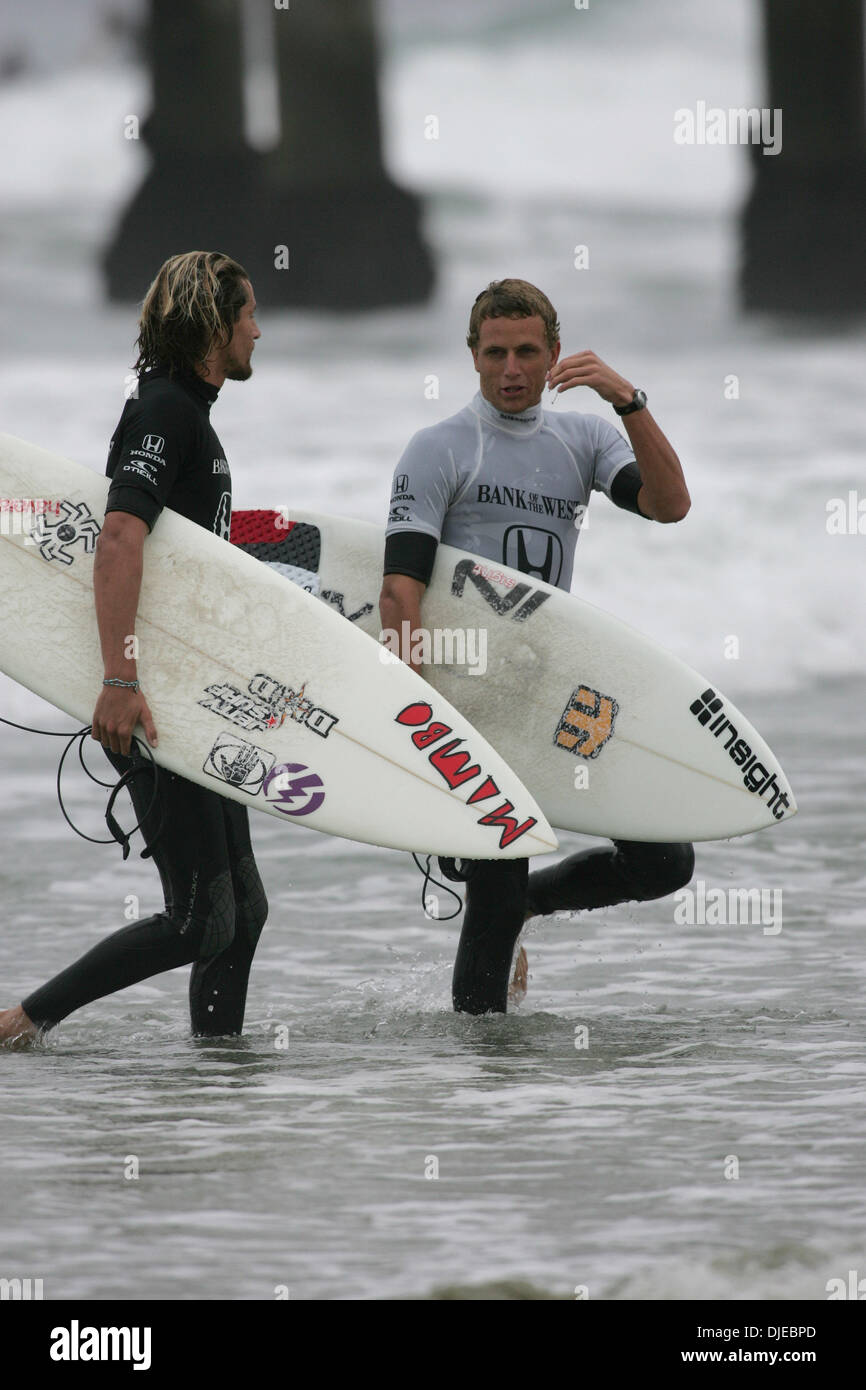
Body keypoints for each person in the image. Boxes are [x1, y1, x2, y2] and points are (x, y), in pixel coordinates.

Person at [379, 278, 695, 1014]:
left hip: (558, 691)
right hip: (473, 702)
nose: (512, 369)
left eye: (528, 351)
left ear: (555, 353)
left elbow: (671, 504)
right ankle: (487, 1084)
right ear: (472, 357)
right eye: (496, 353)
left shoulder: (582, 440)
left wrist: (627, 398)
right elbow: (400, 591)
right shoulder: (439, 449)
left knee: (665, 859)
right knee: (496, 881)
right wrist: (414, 716)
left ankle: (529, 910)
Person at [0, 250, 266, 1046]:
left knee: (241, 914)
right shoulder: (164, 412)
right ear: (214, 326)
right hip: (148, 697)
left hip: (187, 691)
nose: (259, 329)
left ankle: (215, 1078)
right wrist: (119, 677)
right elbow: (119, 536)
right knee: (198, 920)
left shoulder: (190, 415)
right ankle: (22, 1023)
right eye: (248, 313)